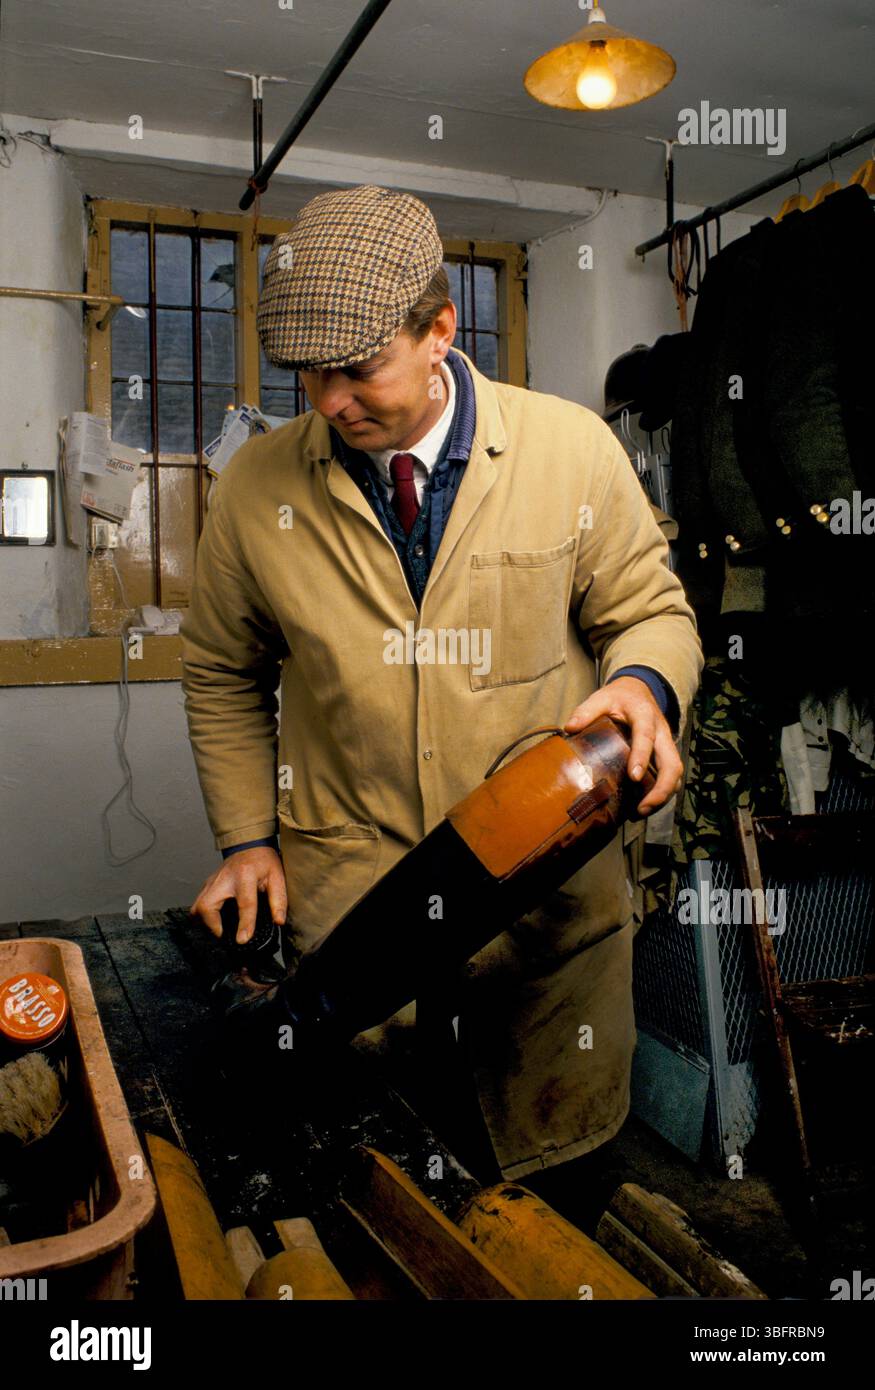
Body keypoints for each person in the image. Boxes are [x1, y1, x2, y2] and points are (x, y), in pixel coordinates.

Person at [180, 183, 703, 1181]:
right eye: (305, 375)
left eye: (357, 369)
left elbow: (651, 610)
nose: (329, 401)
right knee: (374, 1214)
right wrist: (246, 836)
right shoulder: (255, 488)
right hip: (352, 938)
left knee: (550, 1220)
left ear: (439, 329)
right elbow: (218, 667)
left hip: (544, 951)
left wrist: (644, 684)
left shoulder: (570, 452)